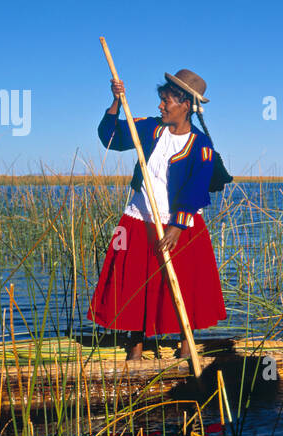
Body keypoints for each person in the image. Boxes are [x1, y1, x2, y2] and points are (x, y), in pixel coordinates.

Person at [87, 69, 226, 360]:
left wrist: (177, 226)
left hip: (181, 224)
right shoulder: (151, 128)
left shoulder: (201, 146)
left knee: (185, 284)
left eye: (166, 101)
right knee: (133, 283)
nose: (160, 106)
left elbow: (197, 188)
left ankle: (186, 348)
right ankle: (134, 349)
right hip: (140, 217)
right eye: (161, 100)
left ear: (185, 104)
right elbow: (110, 137)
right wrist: (116, 102)